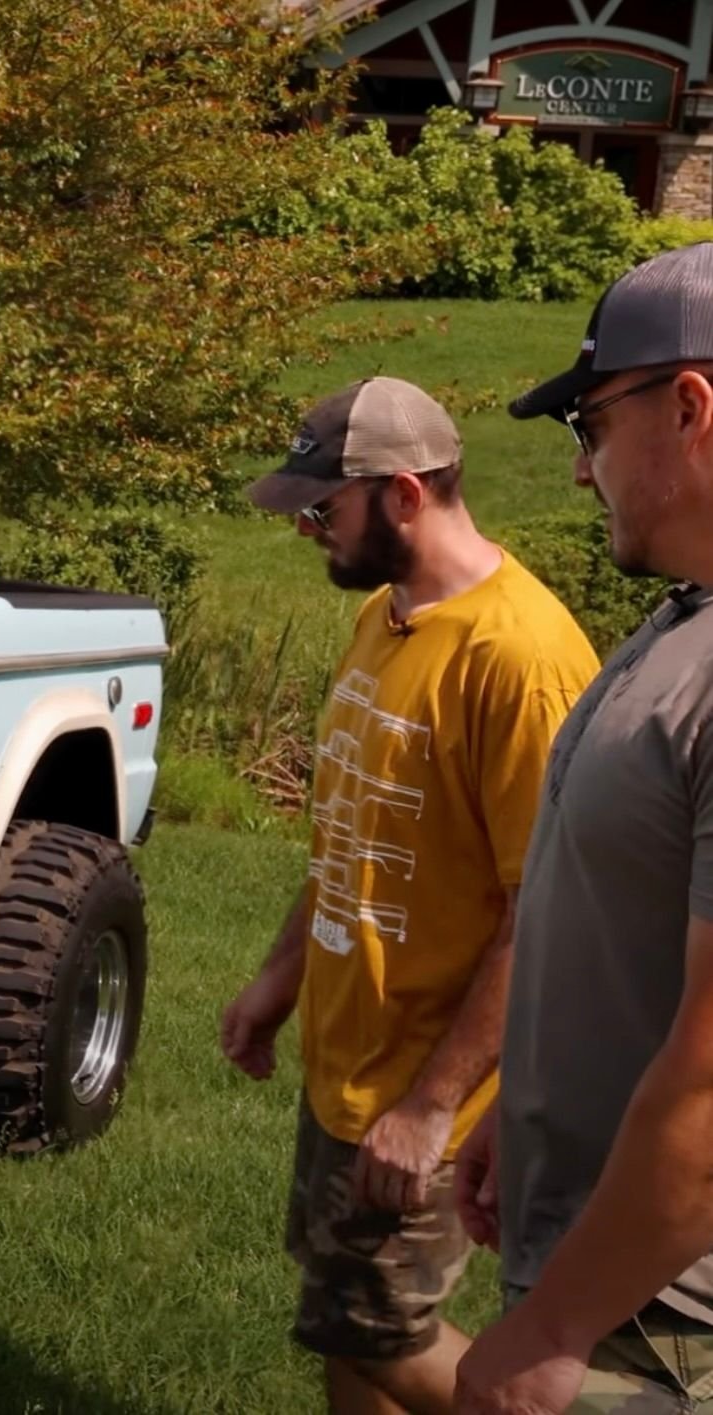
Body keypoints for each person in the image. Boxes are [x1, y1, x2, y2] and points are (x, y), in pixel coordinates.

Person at [222, 375, 600, 1413]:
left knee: (380, 1332)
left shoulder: (516, 658)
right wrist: (276, 979)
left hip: (431, 1091)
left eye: (320, 508)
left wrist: (431, 1107)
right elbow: (353, 828)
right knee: (345, 1327)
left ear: (399, 495)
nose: (305, 530)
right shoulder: (388, 619)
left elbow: (547, 914)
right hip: (347, 1068)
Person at [454, 241, 713, 1415]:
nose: (576, 473)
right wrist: (524, 1110)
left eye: (591, 425)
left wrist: (557, 1324)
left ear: (690, 405)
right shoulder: (678, 624)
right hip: (597, 1263)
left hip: (657, 1317)